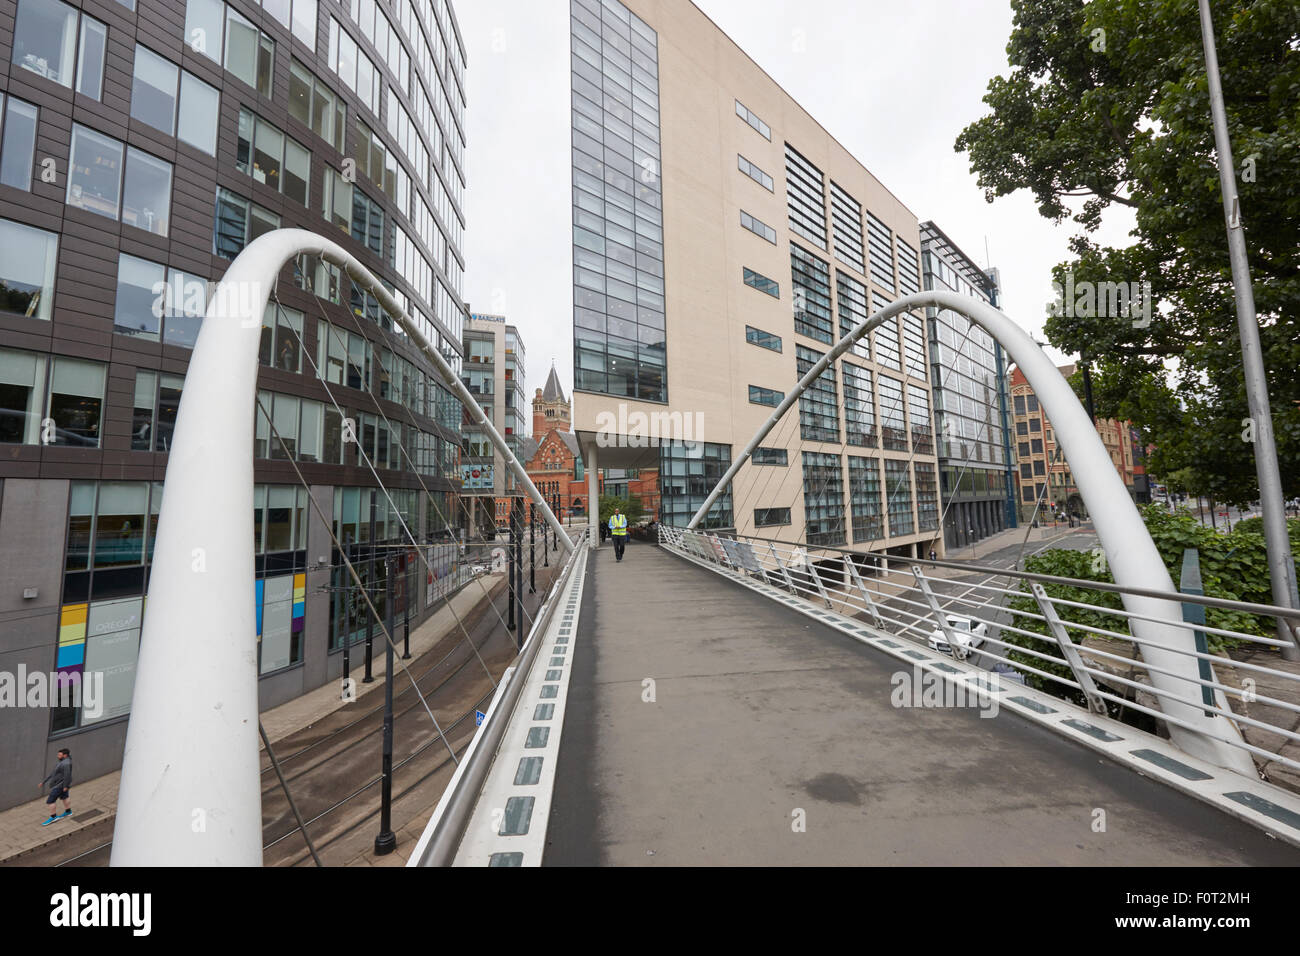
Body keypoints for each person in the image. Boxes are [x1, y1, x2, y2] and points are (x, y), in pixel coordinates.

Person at [40, 748, 72, 826]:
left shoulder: (66, 764)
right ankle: (68, 811)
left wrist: (65, 786)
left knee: (50, 801)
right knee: (65, 797)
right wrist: (44, 782)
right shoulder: (63, 762)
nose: (58, 756)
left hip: (59, 785)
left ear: (65, 755)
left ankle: (53, 817)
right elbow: (53, 773)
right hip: (61, 785)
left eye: (59, 755)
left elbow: (67, 776)